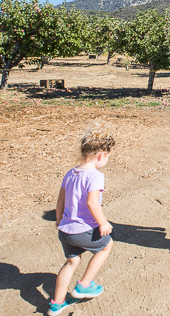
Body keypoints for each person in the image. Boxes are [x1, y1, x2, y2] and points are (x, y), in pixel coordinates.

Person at [48, 124, 115, 316]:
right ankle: (84, 285)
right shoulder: (95, 176)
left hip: (65, 230)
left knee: (71, 262)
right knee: (106, 246)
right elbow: (92, 203)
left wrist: (59, 219)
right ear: (101, 155)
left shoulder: (70, 173)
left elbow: (60, 200)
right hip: (83, 230)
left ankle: (56, 304)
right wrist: (103, 222)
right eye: (108, 157)